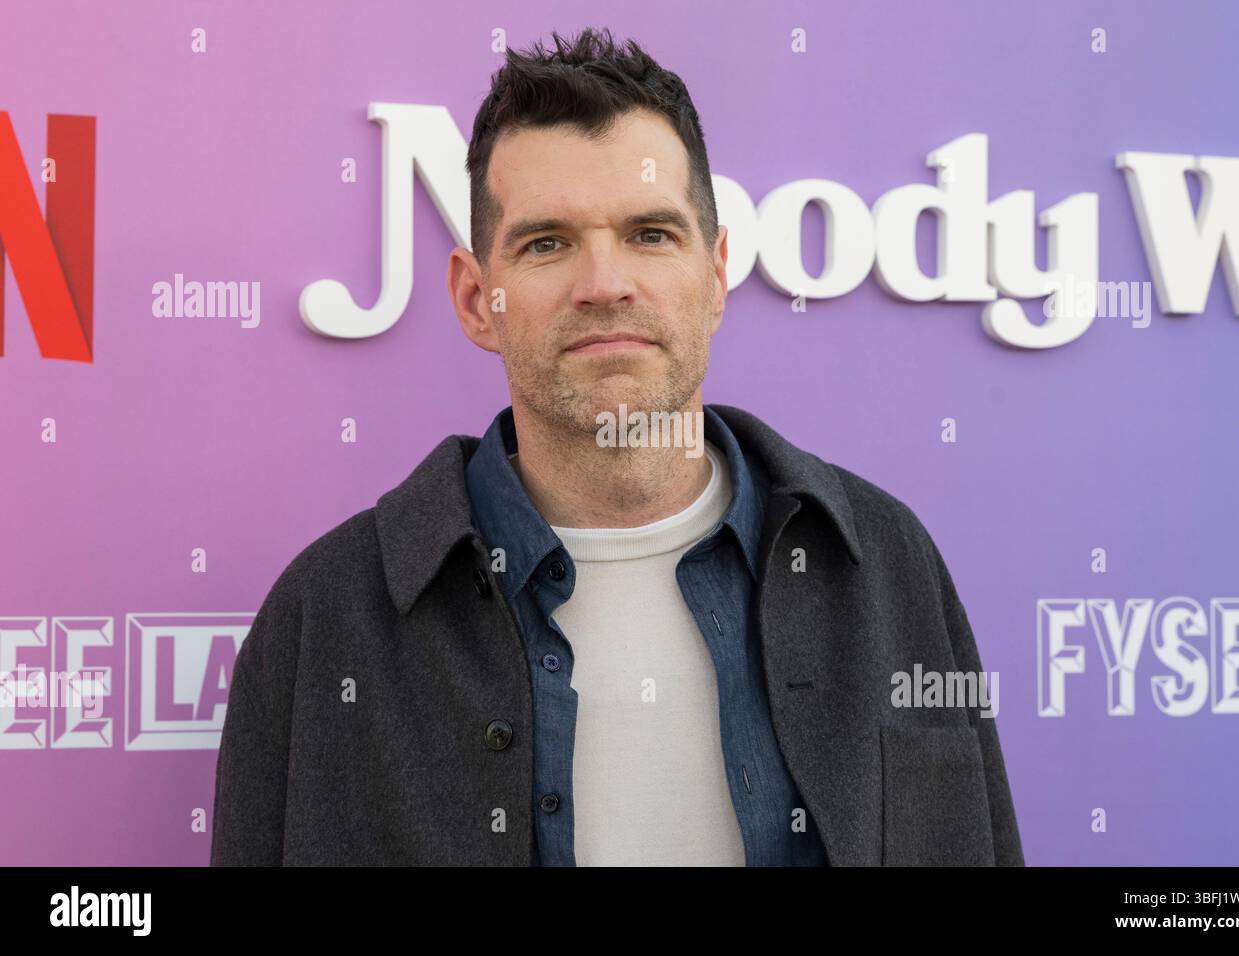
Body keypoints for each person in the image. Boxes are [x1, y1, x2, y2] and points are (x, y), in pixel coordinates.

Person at [210, 26, 1024, 867]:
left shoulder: (885, 565)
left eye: (650, 234)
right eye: (547, 243)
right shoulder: (328, 617)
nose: (605, 284)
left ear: (715, 278)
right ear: (473, 298)